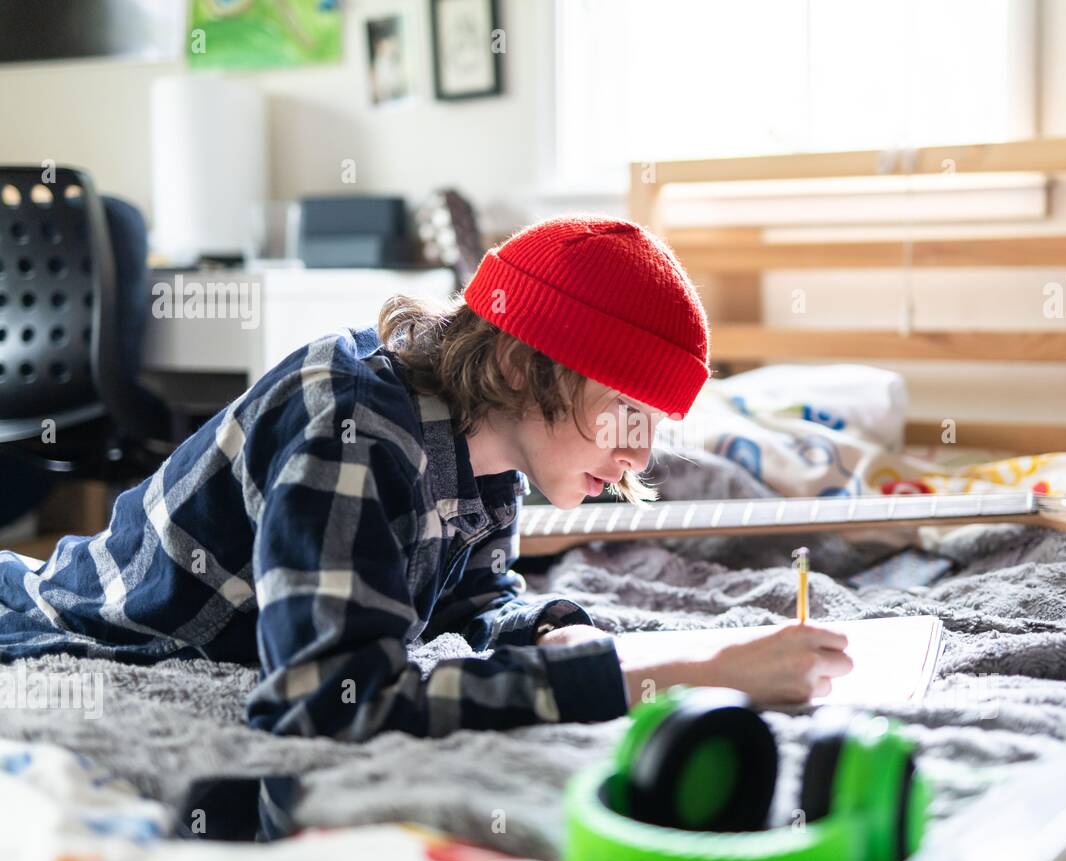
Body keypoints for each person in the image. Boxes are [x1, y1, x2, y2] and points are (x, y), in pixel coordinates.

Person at [0, 215, 850, 741]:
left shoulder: (493, 446)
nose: (637, 455)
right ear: (522, 366)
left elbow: (471, 602)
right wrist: (690, 674)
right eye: (627, 413)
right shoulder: (350, 425)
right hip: (83, 627)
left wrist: (552, 631)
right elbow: (325, 698)